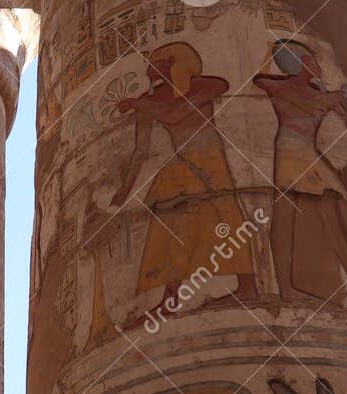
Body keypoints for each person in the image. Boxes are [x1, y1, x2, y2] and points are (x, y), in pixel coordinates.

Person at [110, 41, 257, 325]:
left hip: (211, 159)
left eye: (158, 66)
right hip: (183, 163)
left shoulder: (203, 87)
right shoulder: (149, 102)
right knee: (173, 225)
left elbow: (179, 113)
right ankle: (168, 301)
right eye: (150, 67)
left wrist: (142, 105)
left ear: (176, 67)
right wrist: (125, 190)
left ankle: (248, 287)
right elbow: (140, 151)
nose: (151, 72)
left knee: (227, 217)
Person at [254, 38, 347, 318]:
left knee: (332, 215)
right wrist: (321, 99)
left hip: (308, 154)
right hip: (288, 150)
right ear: (298, 66)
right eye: (311, 62)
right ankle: (285, 289)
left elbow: (346, 111)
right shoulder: (281, 87)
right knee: (284, 214)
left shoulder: (318, 92)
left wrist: (337, 98)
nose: (318, 67)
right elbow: (263, 83)